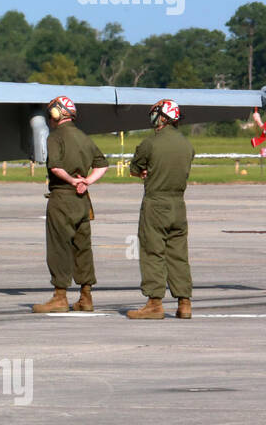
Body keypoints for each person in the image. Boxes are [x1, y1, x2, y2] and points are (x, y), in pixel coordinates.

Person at [32, 96, 109, 313]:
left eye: (50, 115)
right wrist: (86, 181)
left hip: (62, 196)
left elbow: (55, 167)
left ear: (57, 114)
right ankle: (86, 296)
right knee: (83, 247)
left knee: (59, 247)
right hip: (82, 201)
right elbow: (102, 165)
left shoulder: (55, 137)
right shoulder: (84, 137)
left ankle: (60, 297)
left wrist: (73, 181)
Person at [126, 99, 195, 320]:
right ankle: (184, 303)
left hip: (156, 203)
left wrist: (146, 173)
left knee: (152, 251)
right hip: (179, 205)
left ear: (162, 117)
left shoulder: (150, 143)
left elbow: (136, 168)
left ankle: (154, 303)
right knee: (178, 254)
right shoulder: (187, 145)